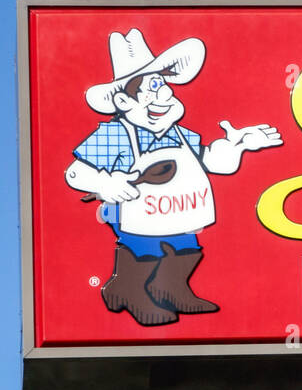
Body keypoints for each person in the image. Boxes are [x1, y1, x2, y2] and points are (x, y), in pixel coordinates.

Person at [64, 28, 282, 326]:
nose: (164, 94)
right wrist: (106, 183)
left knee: (186, 247)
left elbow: (213, 162)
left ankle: (173, 289)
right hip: (134, 213)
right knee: (145, 250)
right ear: (124, 102)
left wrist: (239, 144)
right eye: (152, 87)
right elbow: (76, 172)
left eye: (163, 84)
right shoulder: (115, 134)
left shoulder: (180, 133)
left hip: (181, 212)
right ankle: (130, 291)